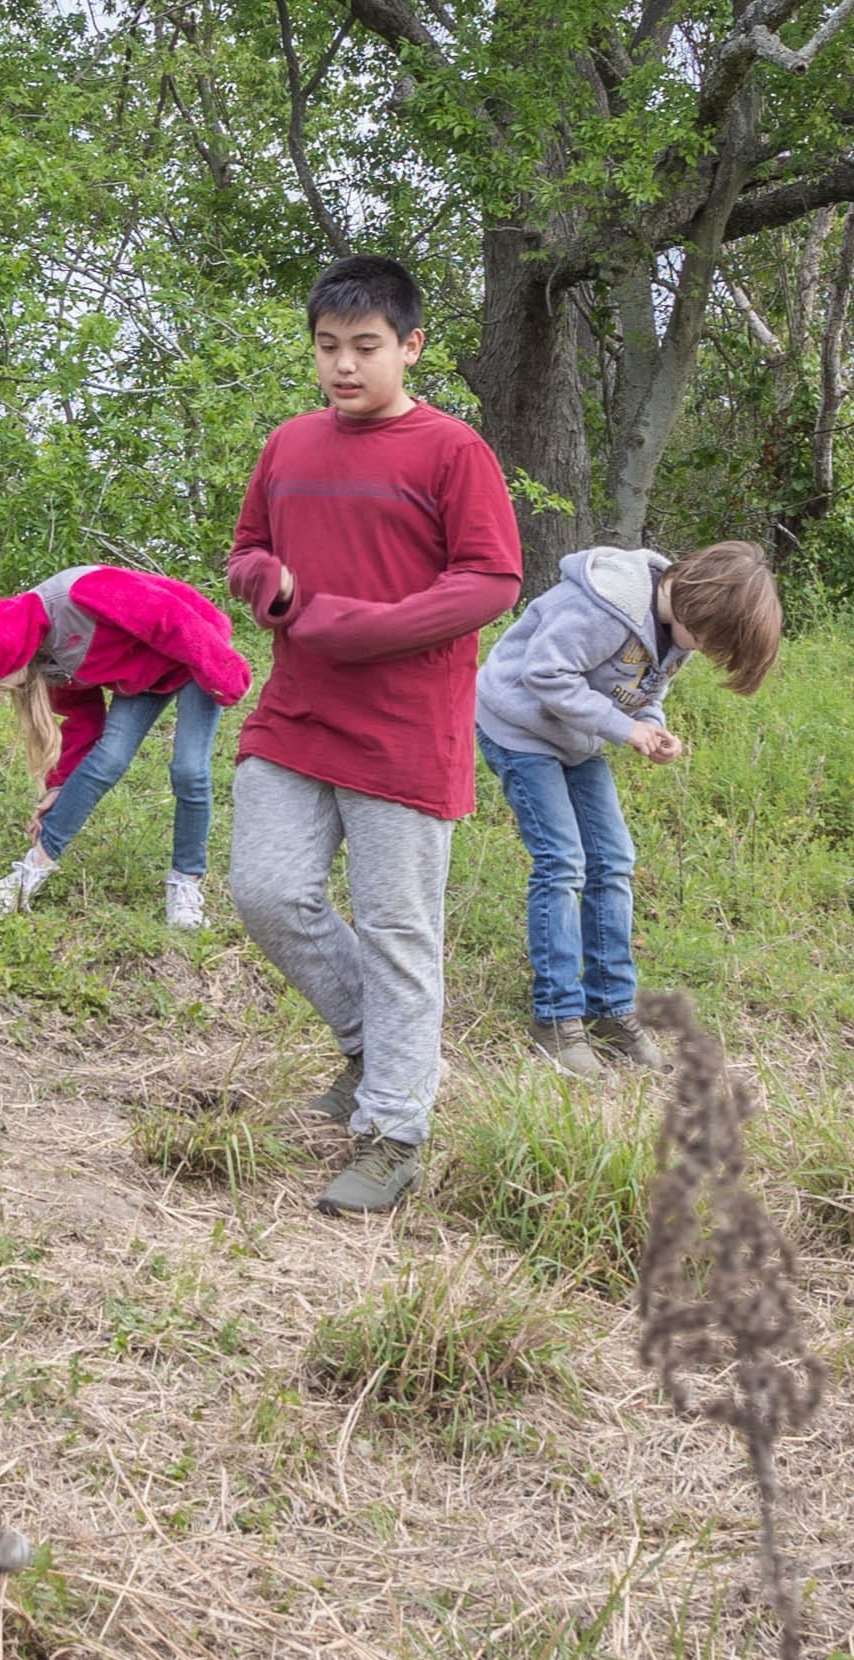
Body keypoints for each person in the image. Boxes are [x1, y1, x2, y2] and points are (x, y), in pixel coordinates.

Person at [226, 254, 523, 1215]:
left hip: (406, 729)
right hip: (298, 712)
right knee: (265, 888)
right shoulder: (289, 445)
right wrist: (264, 582)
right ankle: (373, 1047)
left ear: (410, 347)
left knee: (401, 930)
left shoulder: (451, 451)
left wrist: (361, 626)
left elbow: (491, 581)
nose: (344, 367)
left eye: (365, 348)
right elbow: (246, 550)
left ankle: (395, 1129)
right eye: (328, 348)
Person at [475, 541, 782, 1075]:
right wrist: (623, 728)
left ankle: (611, 1011)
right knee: (563, 863)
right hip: (520, 727)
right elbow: (545, 675)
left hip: (576, 737)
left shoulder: (679, 628)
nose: (703, 653)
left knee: (613, 861)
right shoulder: (603, 605)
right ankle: (556, 1019)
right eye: (710, 643)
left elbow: (645, 689)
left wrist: (654, 726)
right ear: (695, 606)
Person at [0, 566, 252, 927]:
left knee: (189, 770)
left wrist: (223, 668)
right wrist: (61, 785)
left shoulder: (80, 595)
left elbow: (169, 616)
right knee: (109, 757)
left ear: (0, 654)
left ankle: (186, 881)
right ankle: (33, 868)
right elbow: (82, 719)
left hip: (198, 652)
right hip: (144, 678)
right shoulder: (44, 658)